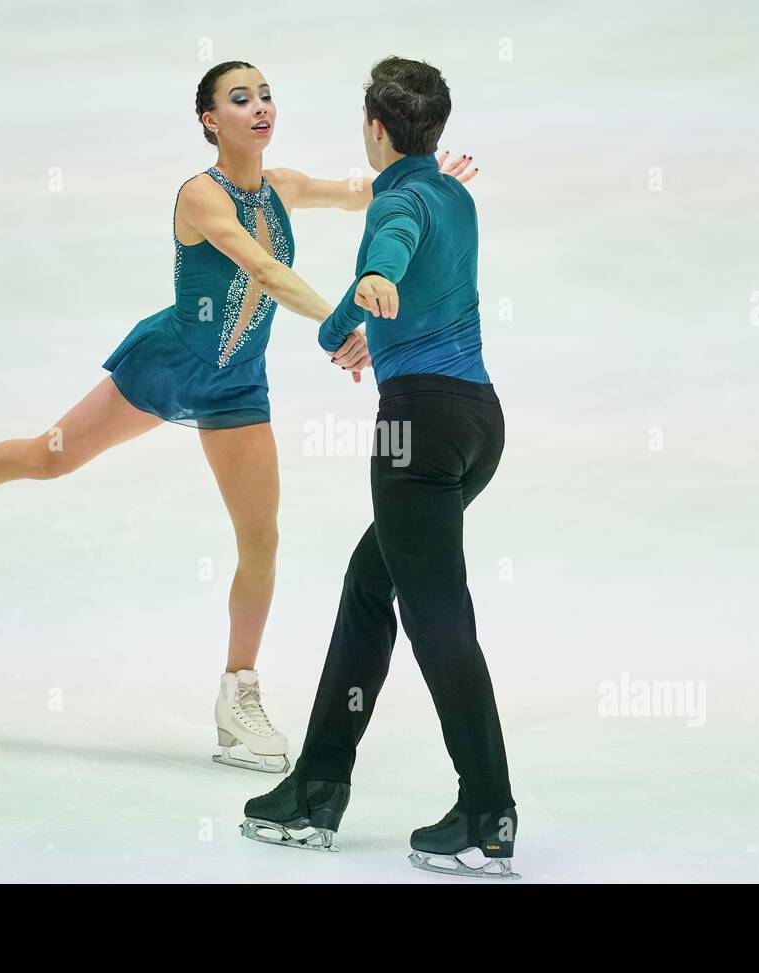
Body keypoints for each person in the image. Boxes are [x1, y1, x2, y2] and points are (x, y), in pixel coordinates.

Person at [0, 60, 477, 775]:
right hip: (168, 363)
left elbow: (358, 189)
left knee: (262, 536)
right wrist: (345, 325)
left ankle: (237, 692)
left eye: (266, 96)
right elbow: (267, 273)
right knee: (50, 456)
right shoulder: (200, 195)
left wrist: (426, 182)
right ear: (209, 121)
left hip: (236, 386)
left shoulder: (281, 186)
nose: (260, 108)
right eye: (239, 99)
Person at [241, 56, 518, 878]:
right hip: (476, 422)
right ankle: (319, 783)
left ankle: (487, 810)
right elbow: (427, 278)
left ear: (375, 128)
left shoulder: (398, 202)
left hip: (415, 434)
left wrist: (355, 305)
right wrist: (382, 326)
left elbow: (393, 250)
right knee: (372, 586)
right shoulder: (453, 194)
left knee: (439, 619)